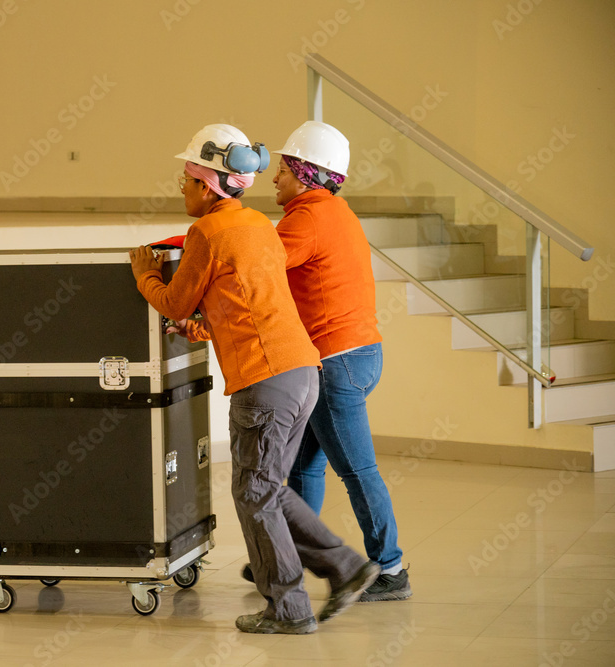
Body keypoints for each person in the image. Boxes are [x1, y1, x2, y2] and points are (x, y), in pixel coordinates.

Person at [129, 123, 378, 634]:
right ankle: (346, 569)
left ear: (208, 185)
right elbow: (248, 300)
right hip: (303, 371)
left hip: (264, 381)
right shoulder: (260, 224)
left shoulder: (208, 232)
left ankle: (291, 607)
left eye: (187, 178)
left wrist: (144, 274)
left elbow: (176, 300)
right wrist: (207, 325)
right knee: (265, 488)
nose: (182, 187)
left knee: (255, 492)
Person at [239, 120, 410, 602]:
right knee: (305, 471)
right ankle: (283, 556)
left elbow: (257, 270)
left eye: (283, 170)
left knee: (358, 472)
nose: (274, 179)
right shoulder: (333, 210)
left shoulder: (306, 218)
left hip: (336, 360)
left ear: (305, 174)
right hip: (358, 355)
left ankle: (391, 569)